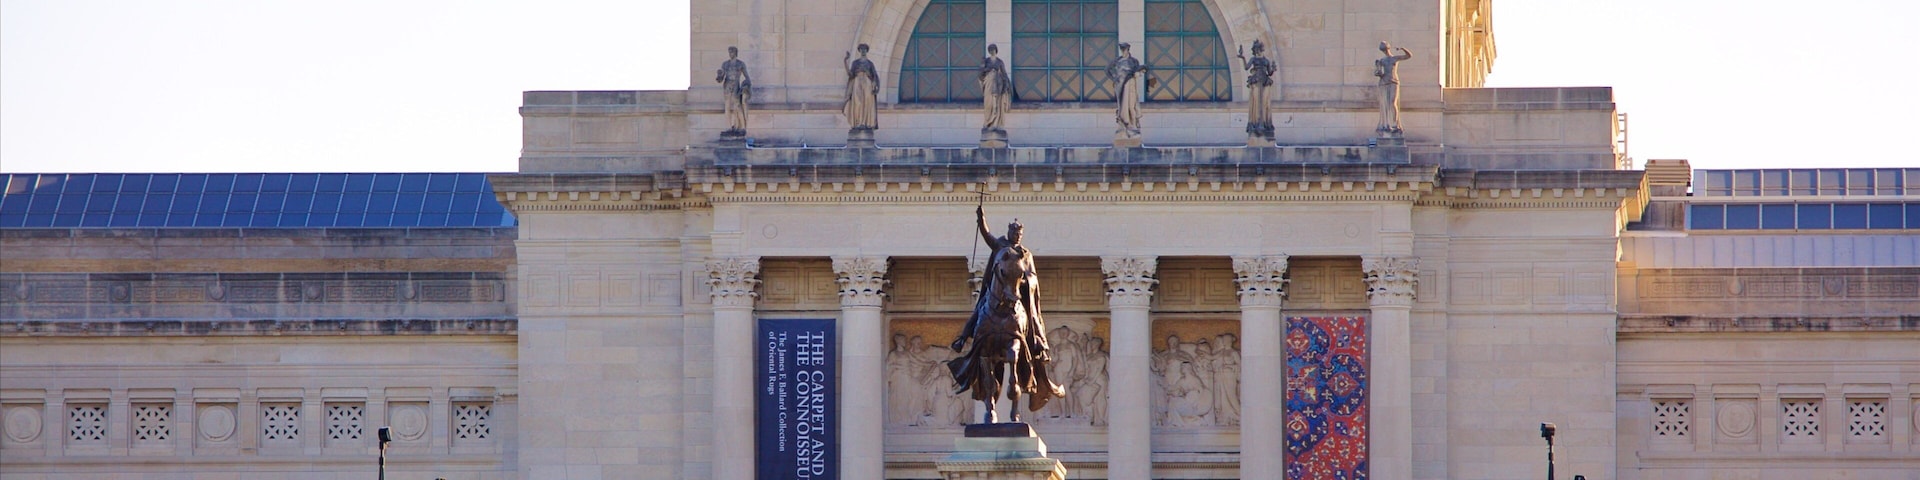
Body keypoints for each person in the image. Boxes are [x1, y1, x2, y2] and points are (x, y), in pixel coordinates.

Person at [947, 206, 1065, 423]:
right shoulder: (1000, 246)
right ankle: (963, 338)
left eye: (1019, 235)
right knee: (980, 310)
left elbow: (1032, 277)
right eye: (1014, 233)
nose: (1016, 237)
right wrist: (981, 219)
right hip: (997, 292)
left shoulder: (1025, 254)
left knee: (1031, 317)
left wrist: (1024, 283)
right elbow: (986, 234)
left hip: (1017, 295)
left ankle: (1039, 343)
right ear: (1009, 233)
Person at [1106, 43, 1152, 140]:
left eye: (1125, 49)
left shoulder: (1134, 61)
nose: (1124, 50)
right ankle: (1124, 124)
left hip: (1130, 84)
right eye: (1122, 49)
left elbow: (1139, 70)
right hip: (1120, 85)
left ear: (1128, 49)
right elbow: (1107, 70)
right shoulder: (1117, 61)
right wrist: (1115, 79)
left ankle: (1132, 124)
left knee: (1132, 104)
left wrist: (1137, 73)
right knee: (1122, 104)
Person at [1237, 41, 1277, 139]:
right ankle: (1256, 124)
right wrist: (1242, 58)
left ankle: (1264, 124)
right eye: (1257, 49)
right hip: (1256, 81)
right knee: (1256, 103)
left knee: (1265, 103)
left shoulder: (1266, 60)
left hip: (1264, 81)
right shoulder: (1253, 59)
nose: (1258, 51)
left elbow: (1269, 72)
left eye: (1259, 49)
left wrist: (1273, 69)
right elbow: (1246, 67)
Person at [1373, 41, 1413, 136]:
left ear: (1388, 48)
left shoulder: (1394, 58)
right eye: (1383, 49)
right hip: (1384, 82)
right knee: (1386, 104)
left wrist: (1403, 48)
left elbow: (1409, 56)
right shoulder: (1382, 61)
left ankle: (1395, 124)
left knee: (1392, 102)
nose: (1384, 50)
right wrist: (1378, 71)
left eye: (1385, 48)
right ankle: (1387, 124)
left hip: (1393, 82)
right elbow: (1377, 72)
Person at [716, 46, 752, 136]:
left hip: (736, 86)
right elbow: (721, 78)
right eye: (729, 52)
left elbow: (747, 77)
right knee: (727, 107)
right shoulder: (725, 64)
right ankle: (728, 127)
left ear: (735, 53)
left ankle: (742, 127)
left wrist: (745, 87)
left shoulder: (740, 64)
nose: (730, 54)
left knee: (738, 106)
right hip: (727, 86)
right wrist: (719, 76)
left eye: (732, 52)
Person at [843, 44, 880, 132]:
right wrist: (845, 61)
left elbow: (874, 75)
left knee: (867, 102)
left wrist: (875, 84)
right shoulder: (855, 63)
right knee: (858, 101)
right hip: (857, 81)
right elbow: (850, 74)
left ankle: (866, 123)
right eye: (861, 49)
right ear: (859, 51)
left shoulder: (870, 63)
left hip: (867, 82)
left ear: (867, 51)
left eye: (865, 49)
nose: (863, 51)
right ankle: (858, 122)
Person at [979, 44, 1012, 134]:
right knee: (988, 104)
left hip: (998, 85)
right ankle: (988, 122)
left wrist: (1005, 86)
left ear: (996, 50)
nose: (992, 51)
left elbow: (1004, 74)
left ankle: (996, 124)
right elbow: (980, 74)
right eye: (990, 49)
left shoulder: (1000, 62)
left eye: (993, 49)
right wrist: (985, 67)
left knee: (997, 104)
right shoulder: (986, 61)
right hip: (989, 84)